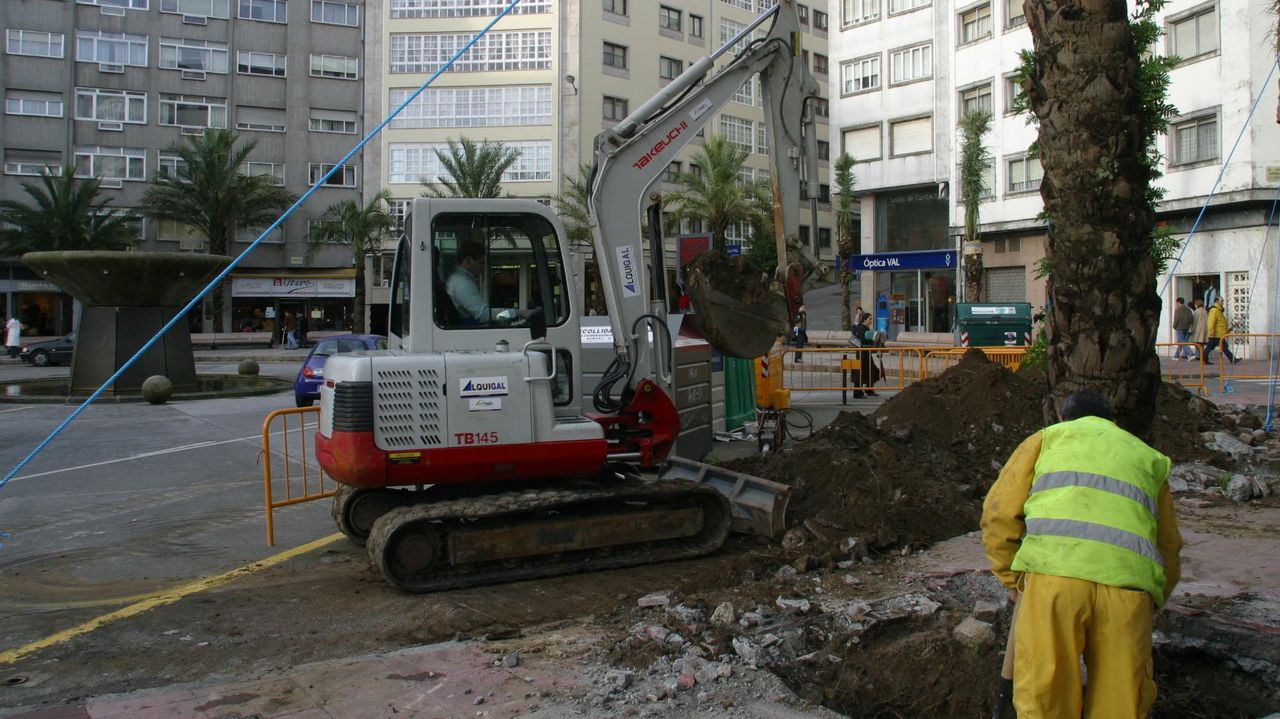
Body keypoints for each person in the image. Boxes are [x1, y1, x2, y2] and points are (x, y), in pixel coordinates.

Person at [981, 389, 1182, 719]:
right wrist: (1155, 598)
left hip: (1053, 587)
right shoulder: (1147, 457)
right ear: (1112, 422)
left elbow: (998, 514)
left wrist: (1010, 579)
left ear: (1063, 418)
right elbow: (1169, 545)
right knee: (1121, 704)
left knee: (1046, 695)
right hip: (1127, 590)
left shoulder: (1045, 441)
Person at [446, 239, 529, 325]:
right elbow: (483, 315)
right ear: (468, 260)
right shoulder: (461, 282)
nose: (483, 268)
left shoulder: (455, 278)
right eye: (481, 263)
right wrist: (519, 313)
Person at [1204, 297, 1239, 364]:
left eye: (1223, 301)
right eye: (1221, 301)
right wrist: (1211, 332)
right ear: (1217, 302)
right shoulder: (1214, 310)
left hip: (1218, 334)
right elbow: (1211, 322)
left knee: (1220, 347)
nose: (1223, 302)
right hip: (1215, 334)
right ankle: (1232, 359)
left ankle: (1232, 359)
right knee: (1218, 347)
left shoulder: (1219, 311)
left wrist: (1227, 330)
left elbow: (1221, 323)